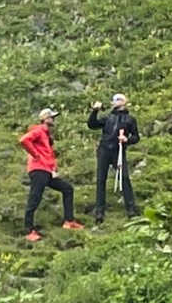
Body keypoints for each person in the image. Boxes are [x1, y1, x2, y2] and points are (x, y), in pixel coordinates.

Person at [19, 107, 82, 239]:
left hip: (46, 171)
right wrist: (35, 155)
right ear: (45, 119)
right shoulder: (38, 131)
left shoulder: (47, 135)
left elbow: (48, 154)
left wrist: (53, 168)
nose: (54, 119)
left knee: (67, 189)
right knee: (34, 198)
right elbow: (24, 140)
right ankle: (29, 231)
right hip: (38, 170)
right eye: (52, 117)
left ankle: (69, 221)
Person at [88, 92, 140, 222]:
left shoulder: (130, 120)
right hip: (104, 150)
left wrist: (126, 139)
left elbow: (136, 137)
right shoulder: (108, 118)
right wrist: (95, 111)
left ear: (124, 101)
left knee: (124, 178)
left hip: (119, 151)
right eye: (114, 100)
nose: (114, 102)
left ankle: (131, 209)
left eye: (117, 99)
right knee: (101, 180)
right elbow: (92, 125)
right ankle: (99, 211)